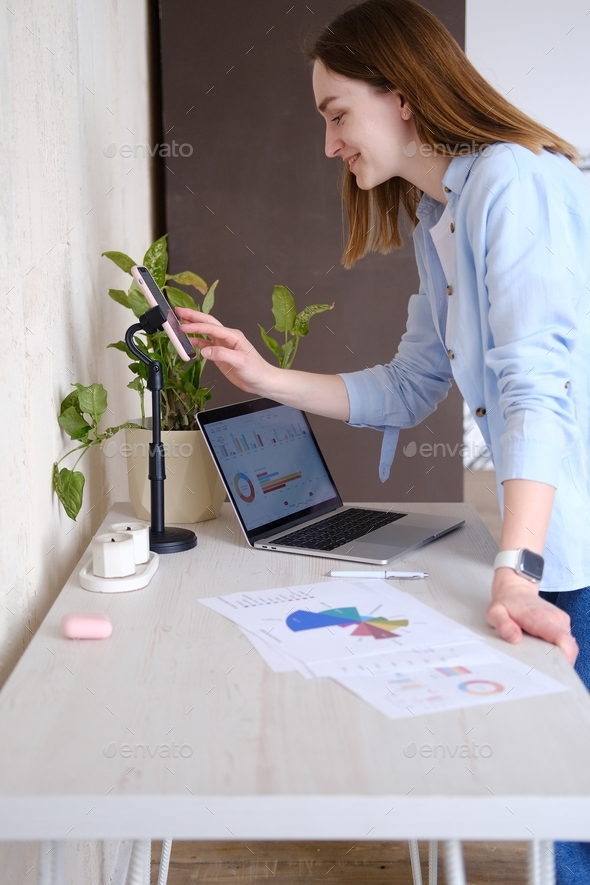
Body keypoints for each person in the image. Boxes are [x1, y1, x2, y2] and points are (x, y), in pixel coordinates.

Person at [177, 3, 590, 879]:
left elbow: (536, 390)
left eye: (337, 115)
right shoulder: (437, 218)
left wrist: (516, 565)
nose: (329, 145)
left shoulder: (513, 183)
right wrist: (265, 377)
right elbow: (411, 386)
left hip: (565, 537)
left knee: (574, 796)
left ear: (401, 99)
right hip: (555, 537)